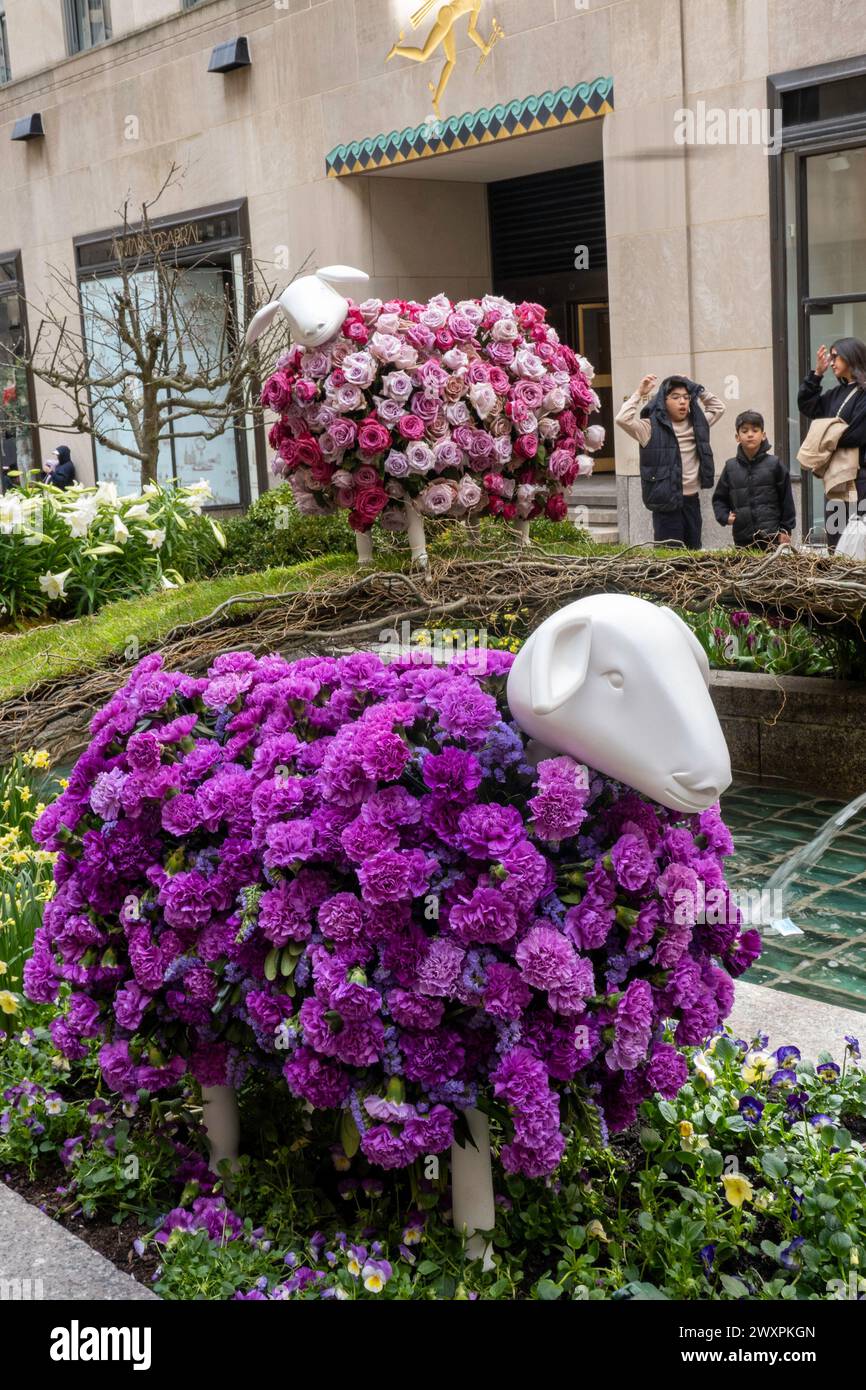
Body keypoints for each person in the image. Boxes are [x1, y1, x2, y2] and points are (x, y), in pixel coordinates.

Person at [615, 374, 725, 548]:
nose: (682, 402)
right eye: (675, 397)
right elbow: (622, 419)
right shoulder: (649, 427)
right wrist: (639, 393)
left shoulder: (698, 424)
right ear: (663, 401)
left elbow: (718, 407)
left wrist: (695, 387)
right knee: (670, 557)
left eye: (686, 397)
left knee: (694, 553)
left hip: (691, 502)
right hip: (666, 505)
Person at [798, 337, 866, 547]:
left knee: (859, 540)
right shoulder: (835, 393)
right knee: (836, 543)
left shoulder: (863, 392)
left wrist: (823, 438)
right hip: (835, 479)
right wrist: (817, 374)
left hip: (861, 478)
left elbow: (856, 434)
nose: (832, 361)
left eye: (836, 356)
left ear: (851, 356)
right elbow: (807, 405)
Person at [712, 410, 795, 548]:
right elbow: (719, 498)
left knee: (771, 569)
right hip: (742, 537)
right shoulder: (730, 467)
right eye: (744, 431)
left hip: (771, 536)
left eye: (755, 430)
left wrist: (786, 529)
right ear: (737, 437)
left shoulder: (775, 464)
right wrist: (724, 516)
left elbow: (786, 499)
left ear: (763, 435)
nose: (750, 435)